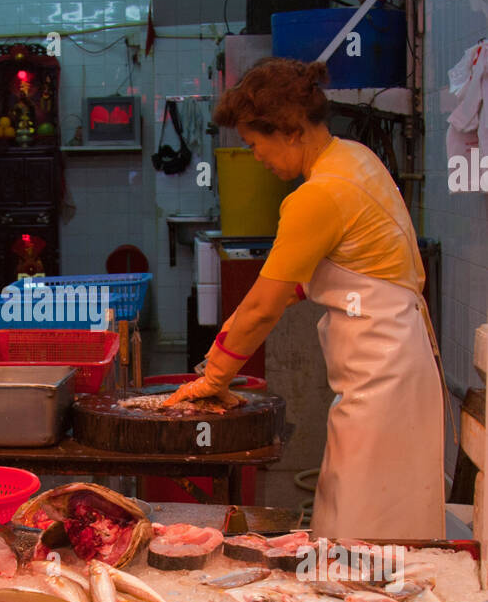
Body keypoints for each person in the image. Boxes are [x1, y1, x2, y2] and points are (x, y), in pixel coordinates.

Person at [166, 57, 445, 541]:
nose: (256, 157)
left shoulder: (317, 196)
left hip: (383, 378)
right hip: (398, 362)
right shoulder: (354, 158)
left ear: (290, 130)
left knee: (368, 528)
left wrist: (213, 378)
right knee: (364, 516)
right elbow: (325, 273)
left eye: (256, 144)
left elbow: (261, 307)